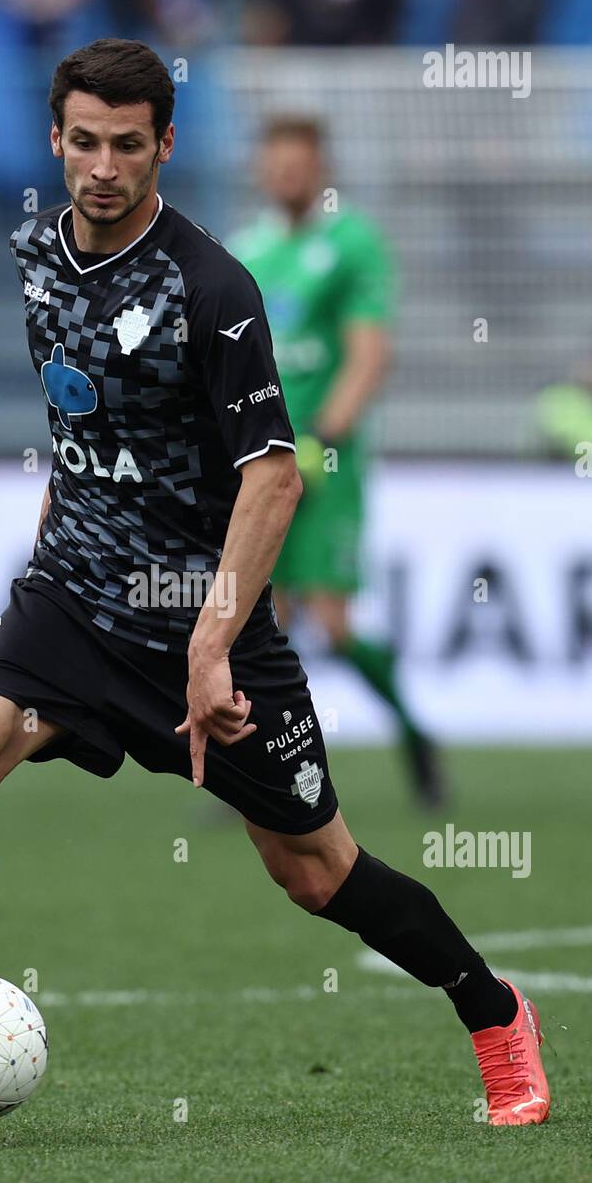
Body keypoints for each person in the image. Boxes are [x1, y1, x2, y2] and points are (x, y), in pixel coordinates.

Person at [0, 38, 549, 1136]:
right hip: (73, 595)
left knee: (316, 871)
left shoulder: (210, 288)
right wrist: (45, 562)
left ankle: (494, 1010)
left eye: (129, 145)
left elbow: (272, 477)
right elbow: (76, 433)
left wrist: (212, 642)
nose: (104, 167)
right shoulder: (35, 257)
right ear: (55, 140)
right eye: (84, 142)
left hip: (196, 612)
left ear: (164, 145)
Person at [229, 117, 442, 805]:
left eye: (301, 164)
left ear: (322, 168)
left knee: (332, 619)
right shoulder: (246, 251)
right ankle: (265, 772)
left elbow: (369, 353)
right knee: (262, 619)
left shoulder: (353, 243)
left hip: (327, 463)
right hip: (261, 466)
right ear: (261, 171)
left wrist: (326, 433)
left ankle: (414, 733)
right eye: (277, 164)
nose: (288, 175)